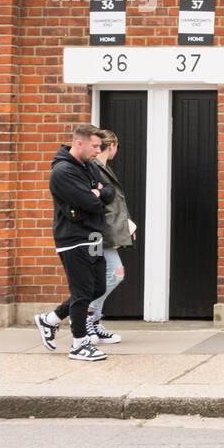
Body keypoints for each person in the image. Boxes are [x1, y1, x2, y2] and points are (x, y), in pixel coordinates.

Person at [34, 124, 114, 362]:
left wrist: (98, 192)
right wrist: (96, 194)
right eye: (95, 146)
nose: (98, 150)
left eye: (100, 146)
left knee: (97, 288)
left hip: (93, 235)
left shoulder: (88, 166)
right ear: (79, 143)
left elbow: (108, 192)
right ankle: (79, 344)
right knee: (82, 292)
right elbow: (92, 204)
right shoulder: (62, 172)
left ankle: (49, 320)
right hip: (73, 238)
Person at [84, 129, 133, 344]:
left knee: (105, 276)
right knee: (115, 274)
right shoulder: (95, 169)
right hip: (99, 232)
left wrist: (127, 225)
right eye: (117, 147)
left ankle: (93, 323)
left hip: (108, 231)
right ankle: (88, 317)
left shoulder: (103, 168)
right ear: (111, 145)